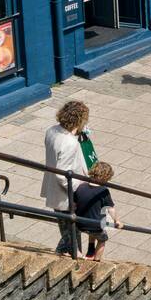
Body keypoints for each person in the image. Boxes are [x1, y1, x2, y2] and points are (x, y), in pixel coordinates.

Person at [42, 99, 89, 256]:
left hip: (53, 189)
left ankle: (70, 254)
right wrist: (78, 192)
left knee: (67, 229)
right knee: (71, 230)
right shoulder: (69, 143)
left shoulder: (51, 130)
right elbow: (63, 175)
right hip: (66, 195)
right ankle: (73, 257)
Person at [74, 161, 122, 260]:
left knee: (91, 226)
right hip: (95, 225)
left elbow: (74, 204)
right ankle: (96, 260)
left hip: (80, 223)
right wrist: (117, 221)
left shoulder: (81, 187)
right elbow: (110, 209)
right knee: (102, 239)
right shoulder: (103, 191)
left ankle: (90, 250)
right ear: (106, 177)